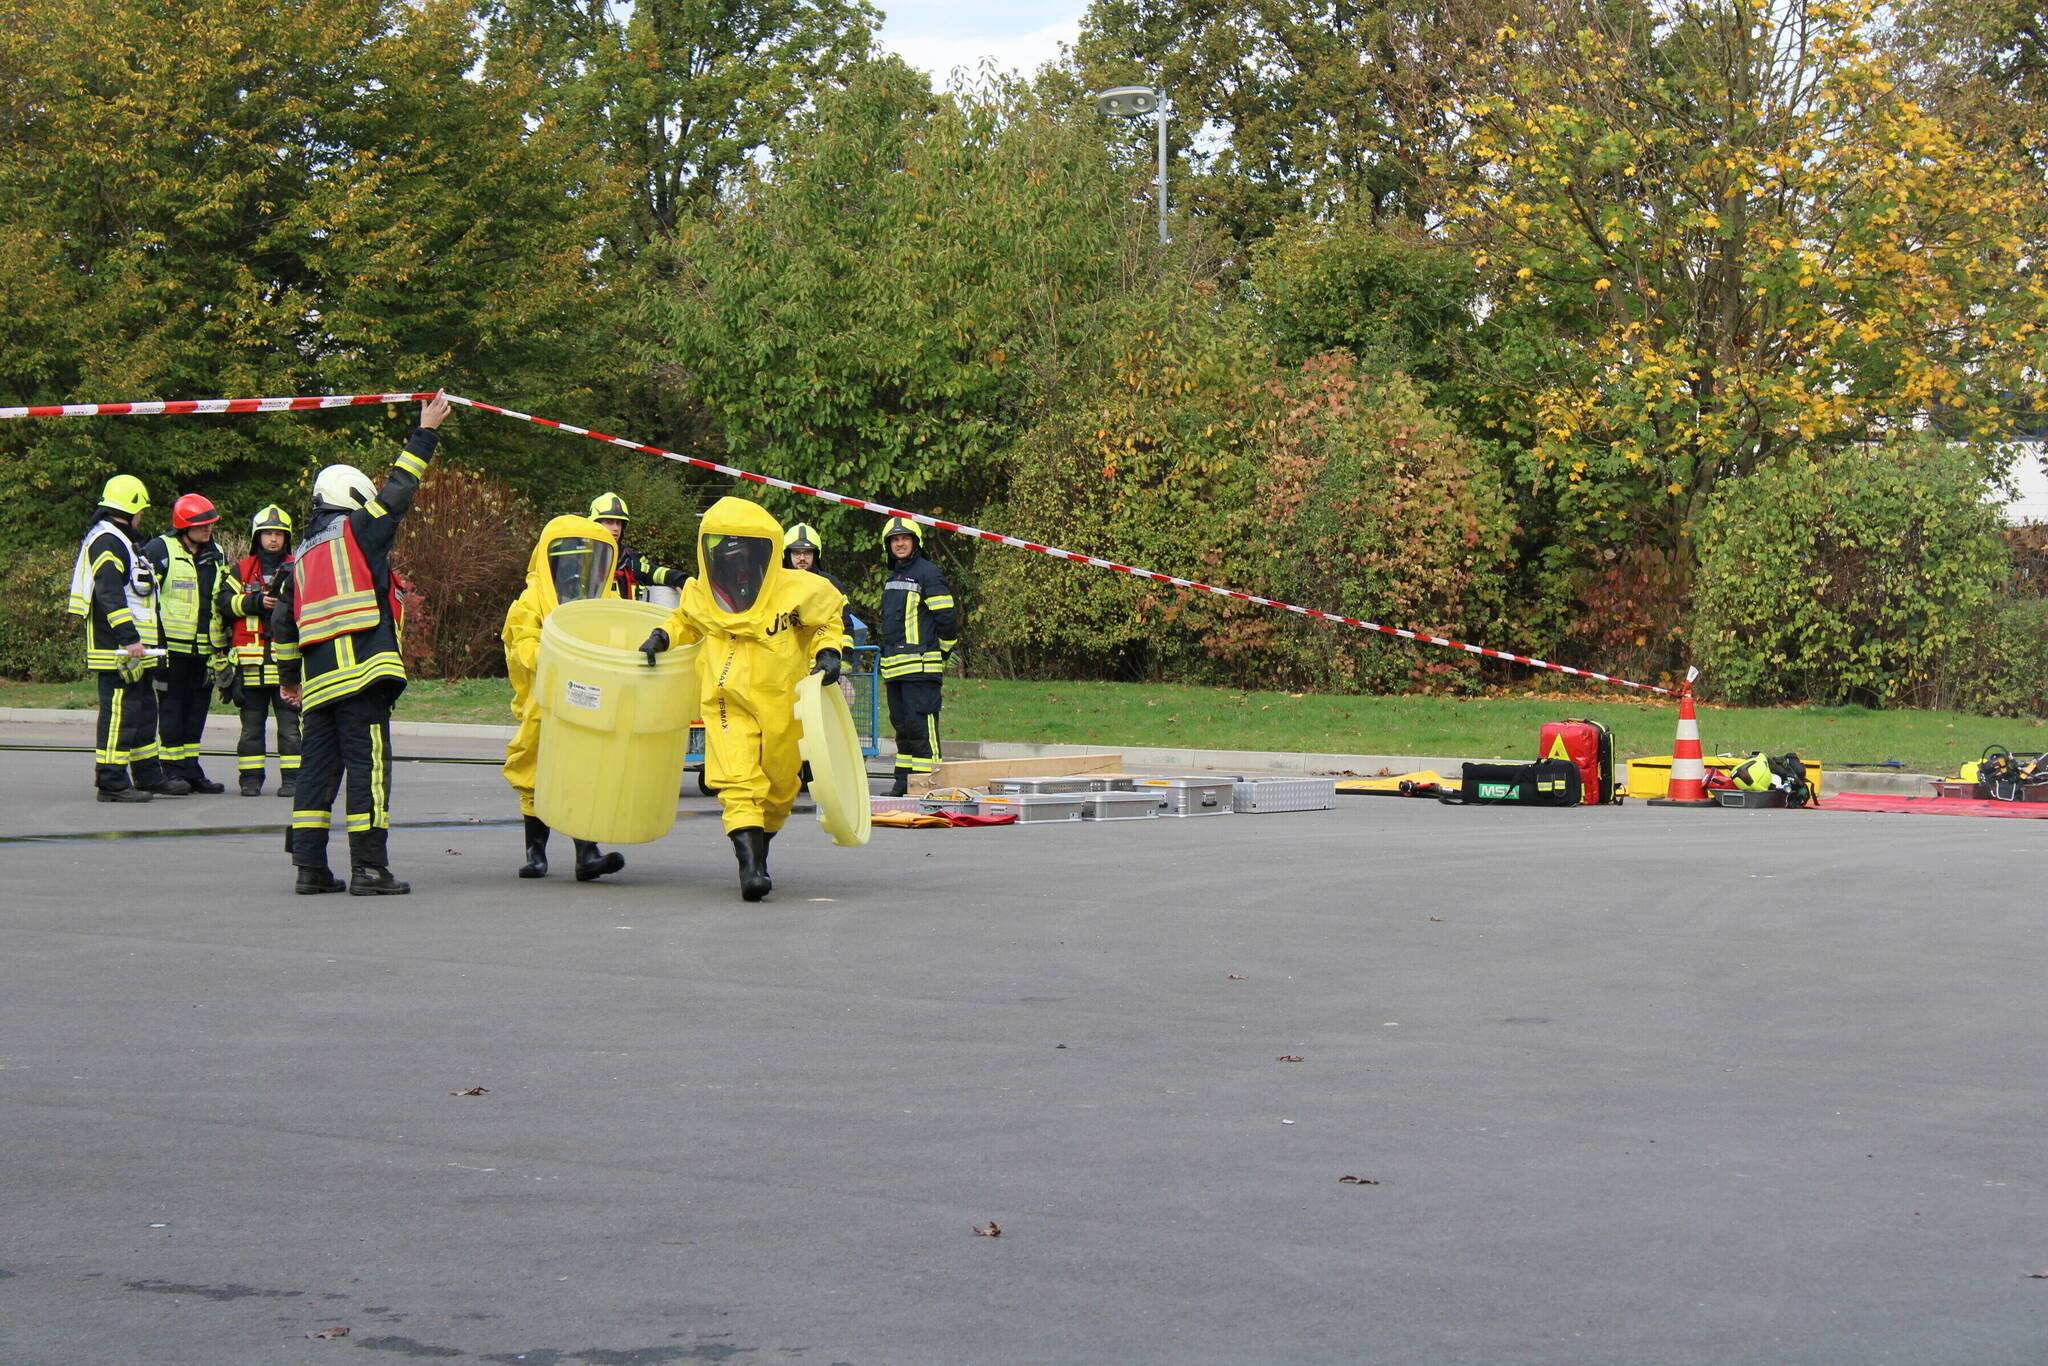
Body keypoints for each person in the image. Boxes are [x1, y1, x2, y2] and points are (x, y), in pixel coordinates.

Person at [272, 394, 450, 895]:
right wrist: (426, 430)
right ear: (352, 495)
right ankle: (370, 869)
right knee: (368, 772)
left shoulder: (299, 557)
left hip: (321, 687)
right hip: (363, 675)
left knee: (316, 773)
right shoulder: (354, 531)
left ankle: (310, 868)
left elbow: (283, 627)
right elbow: (398, 490)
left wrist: (289, 682)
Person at [636, 496, 848, 902]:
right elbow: (684, 619)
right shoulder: (702, 593)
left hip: (782, 704)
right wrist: (662, 637)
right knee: (737, 778)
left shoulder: (799, 591)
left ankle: (760, 856)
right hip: (725, 698)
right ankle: (749, 868)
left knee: (780, 783)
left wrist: (829, 653)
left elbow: (826, 621)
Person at [501, 513, 628, 881]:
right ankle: (535, 853)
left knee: (584, 772)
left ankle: (586, 854)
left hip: (587, 699)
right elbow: (524, 646)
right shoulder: (529, 602)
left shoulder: (601, 601)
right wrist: (556, 657)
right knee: (534, 769)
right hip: (543, 700)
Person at [67, 474, 187, 801]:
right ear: (132, 509)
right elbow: (109, 594)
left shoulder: (122, 541)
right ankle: (111, 781)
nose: (142, 517)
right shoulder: (108, 541)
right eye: (141, 511)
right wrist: (129, 638)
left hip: (136, 649)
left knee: (145, 711)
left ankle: (148, 774)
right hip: (119, 648)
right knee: (120, 712)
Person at [140, 494, 231, 793]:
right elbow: (143, 597)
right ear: (184, 526)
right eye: (202, 525)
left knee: (197, 709)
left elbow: (220, 599)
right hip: (171, 649)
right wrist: (154, 643)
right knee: (172, 707)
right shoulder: (158, 550)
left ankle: (191, 769)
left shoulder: (215, 554)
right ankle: (170, 770)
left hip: (204, 649)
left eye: (210, 525)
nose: (208, 530)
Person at [220, 504, 302, 797]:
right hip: (251, 668)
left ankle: (293, 780)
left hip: (286, 667)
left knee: (290, 729)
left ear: (286, 538)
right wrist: (254, 603)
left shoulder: (299, 566)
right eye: (268, 533)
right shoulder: (241, 570)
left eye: (279, 534)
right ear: (257, 537)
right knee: (251, 729)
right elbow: (223, 604)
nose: (273, 539)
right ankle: (250, 780)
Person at [876, 517, 957, 797]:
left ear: (915, 542)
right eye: (894, 540)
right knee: (904, 730)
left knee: (922, 730)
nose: (899, 543)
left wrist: (941, 652)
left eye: (905, 538)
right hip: (896, 670)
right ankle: (904, 785)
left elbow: (947, 619)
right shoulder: (893, 577)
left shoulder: (928, 574)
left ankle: (931, 787)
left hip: (921, 669)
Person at [589, 492, 683, 601]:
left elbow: (657, 572)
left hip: (626, 616)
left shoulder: (629, 559)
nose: (616, 528)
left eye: (619, 523)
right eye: (609, 522)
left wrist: (681, 580)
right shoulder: (582, 557)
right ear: (595, 524)